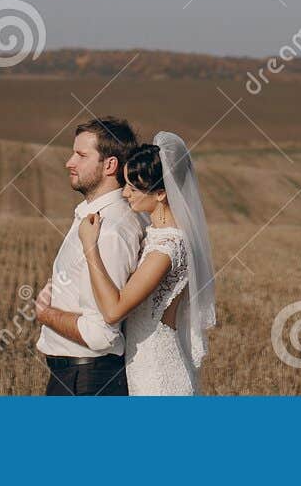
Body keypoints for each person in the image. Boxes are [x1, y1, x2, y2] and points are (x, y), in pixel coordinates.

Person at [77, 132, 216, 395]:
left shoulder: (167, 249)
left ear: (161, 193)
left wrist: (90, 247)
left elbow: (113, 310)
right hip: (144, 370)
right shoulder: (156, 235)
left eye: (133, 186)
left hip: (159, 378)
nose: (125, 193)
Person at [33, 116, 143, 395]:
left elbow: (101, 334)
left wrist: (47, 314)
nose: (70, 162)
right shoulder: (94, 217)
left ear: (109, 165)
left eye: (81, 155)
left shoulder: (110, 230)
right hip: (78, 376)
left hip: (87, 381)